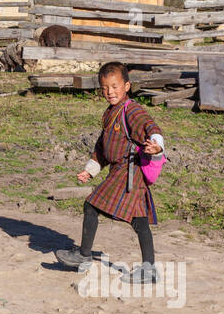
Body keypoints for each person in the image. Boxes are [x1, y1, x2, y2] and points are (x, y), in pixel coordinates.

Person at [56, 61, 166, 283]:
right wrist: (90, 170)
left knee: (91, 205)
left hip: (128, 172)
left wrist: (157, 145)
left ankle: (84, 255)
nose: (110, 92)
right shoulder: (110, 114)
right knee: (139, 221)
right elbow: (102, 147)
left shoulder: (132, 110)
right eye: (105, 87)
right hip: (121, 171)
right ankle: (149, 269)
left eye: (115, 86)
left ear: (126, 86)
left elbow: (150, 126)